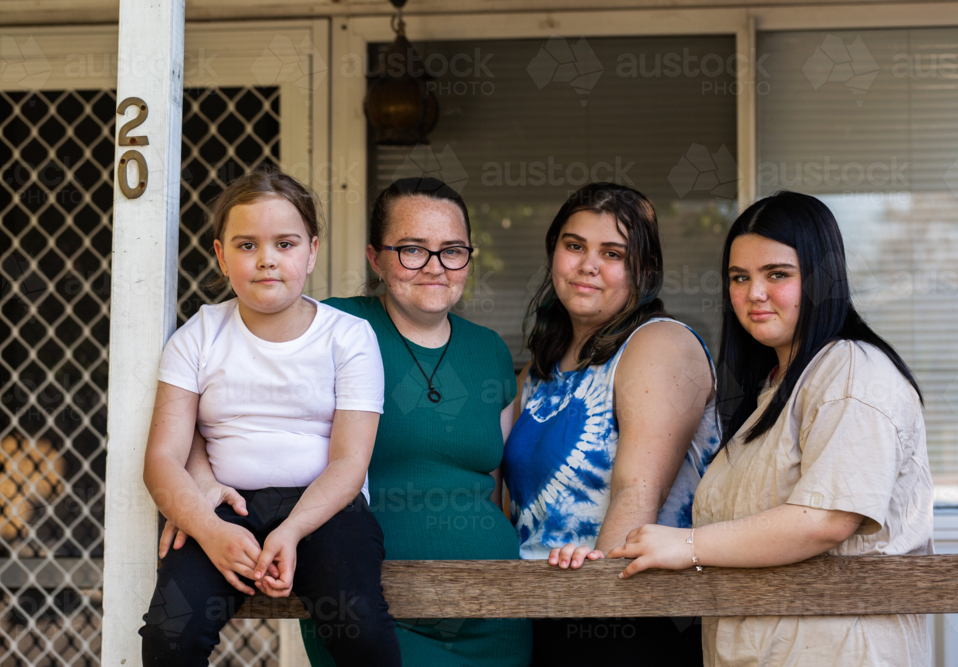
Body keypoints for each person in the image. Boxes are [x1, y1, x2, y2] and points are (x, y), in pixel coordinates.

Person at [164, 177, 532, 666]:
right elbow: (219, 403)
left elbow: (496, 484)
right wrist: (199, 489)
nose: (435, 266)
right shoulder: (328, 328)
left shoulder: (489, 351)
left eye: (452, 250)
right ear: (375, 258)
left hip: (494, 607)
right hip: (369, 606)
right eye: (412, 250)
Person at [609, 191, 934, 667]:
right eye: (740, 278)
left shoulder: (851, 371)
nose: (753, 294)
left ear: (821, 279)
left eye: (777, 274)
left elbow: (826, 519)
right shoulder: (770, 389)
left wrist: (686, 545)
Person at [138, 169, 401, 667]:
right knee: (169, 635)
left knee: (359, 625)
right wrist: (205, 526)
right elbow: (161, 457)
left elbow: (350, 462)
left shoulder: (348, 337)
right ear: (221, 255)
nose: (266, 260)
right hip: (225, 510)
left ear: (312, 251)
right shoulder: (198, 335)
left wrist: (294, 529)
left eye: (285, 243)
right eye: (246, 245)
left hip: (326, 511)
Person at [502, 182, 721, 663]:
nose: (588, 265)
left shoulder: (659, 343)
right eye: (574, 245)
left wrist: (595, 608)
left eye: (613, 253)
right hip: (543, 610)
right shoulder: (541, 368)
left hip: (628, 617)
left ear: (644, 270)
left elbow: (638, 493)